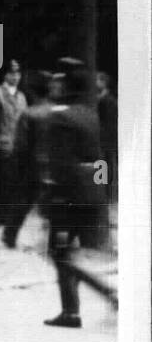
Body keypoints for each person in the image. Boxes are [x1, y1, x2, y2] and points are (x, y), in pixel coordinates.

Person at [36, 59, 114, 326]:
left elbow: (60, 164)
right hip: (91, 192)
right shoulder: (88, 113)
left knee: (60, 254)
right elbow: (101, 156)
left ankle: (99, 297)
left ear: (66, 85)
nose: (53, 86)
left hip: (67, 198)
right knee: (65, 254)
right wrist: (102, 190)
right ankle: (72, 311)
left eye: (58, 81)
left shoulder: (59, 117)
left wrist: (50, 199)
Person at [0, 69, 54, 249]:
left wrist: (16, 166)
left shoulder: (29, 114)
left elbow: (21, 146)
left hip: (32, 165)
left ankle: (10, 235)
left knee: (22, 201)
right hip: (54, 165)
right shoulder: (57, 113)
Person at [0, 59, 28, 215]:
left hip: (19, 145)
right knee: (3, 181)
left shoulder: (22, 96)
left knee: (15, 182)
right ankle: (1, 213)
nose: (16, 77)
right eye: (12, 73)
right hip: (3, 144)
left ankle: (9, 213)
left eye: (18, 73)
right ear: (5, 75)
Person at [95, 71, 117, 205]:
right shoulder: (102, 99)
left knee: (103, 174)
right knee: (101, 174)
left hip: (104, 144)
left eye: (97, 80)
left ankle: (103, 201)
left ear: (103, 82)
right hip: (103, 144)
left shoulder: (107, 101)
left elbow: (108, 125)